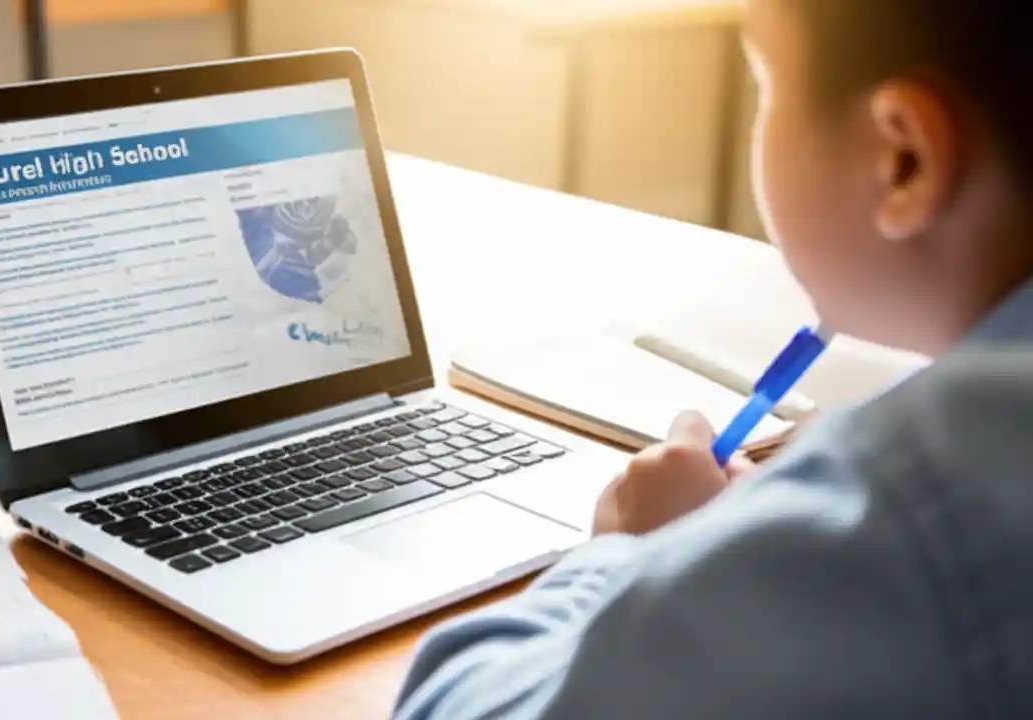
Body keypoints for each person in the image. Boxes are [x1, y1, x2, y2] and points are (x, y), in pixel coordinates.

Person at [393, 0, 1033, 717]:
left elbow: (448, 707)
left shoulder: (908, 499)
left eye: (764, 81)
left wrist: (638, 557)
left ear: (902, 162)